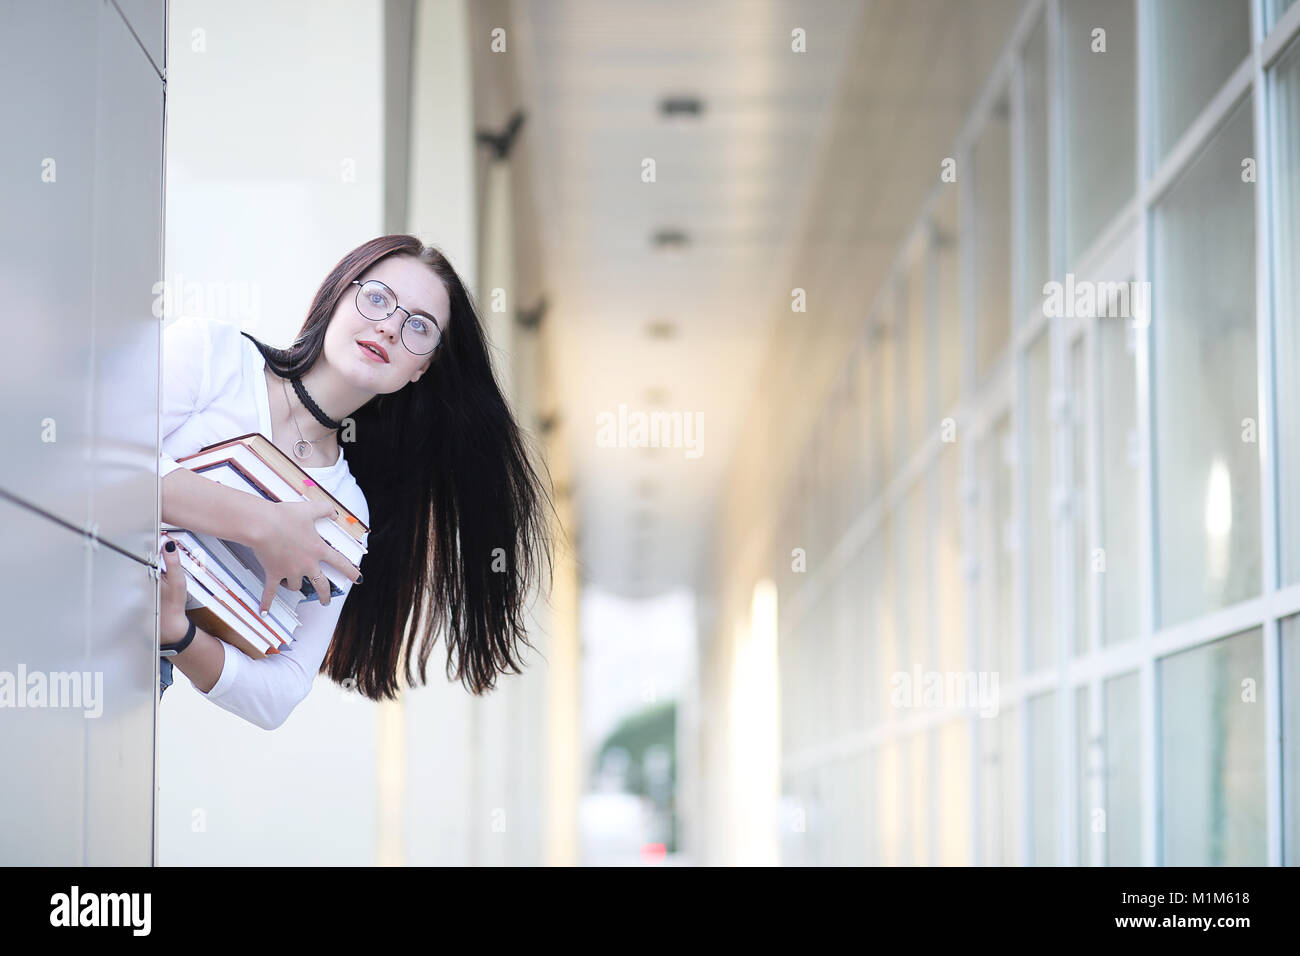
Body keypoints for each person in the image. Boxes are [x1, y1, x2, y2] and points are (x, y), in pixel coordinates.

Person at [155, 235, 556, 729]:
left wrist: (177, 635)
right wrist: (264, 523)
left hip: (136, 666)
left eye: (419, 328)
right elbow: (92, 455)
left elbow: (281, 692)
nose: (390, 327)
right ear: (338, 294)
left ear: (421, 369)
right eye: (377, 298)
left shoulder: (345, 511)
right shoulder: (214, 355)